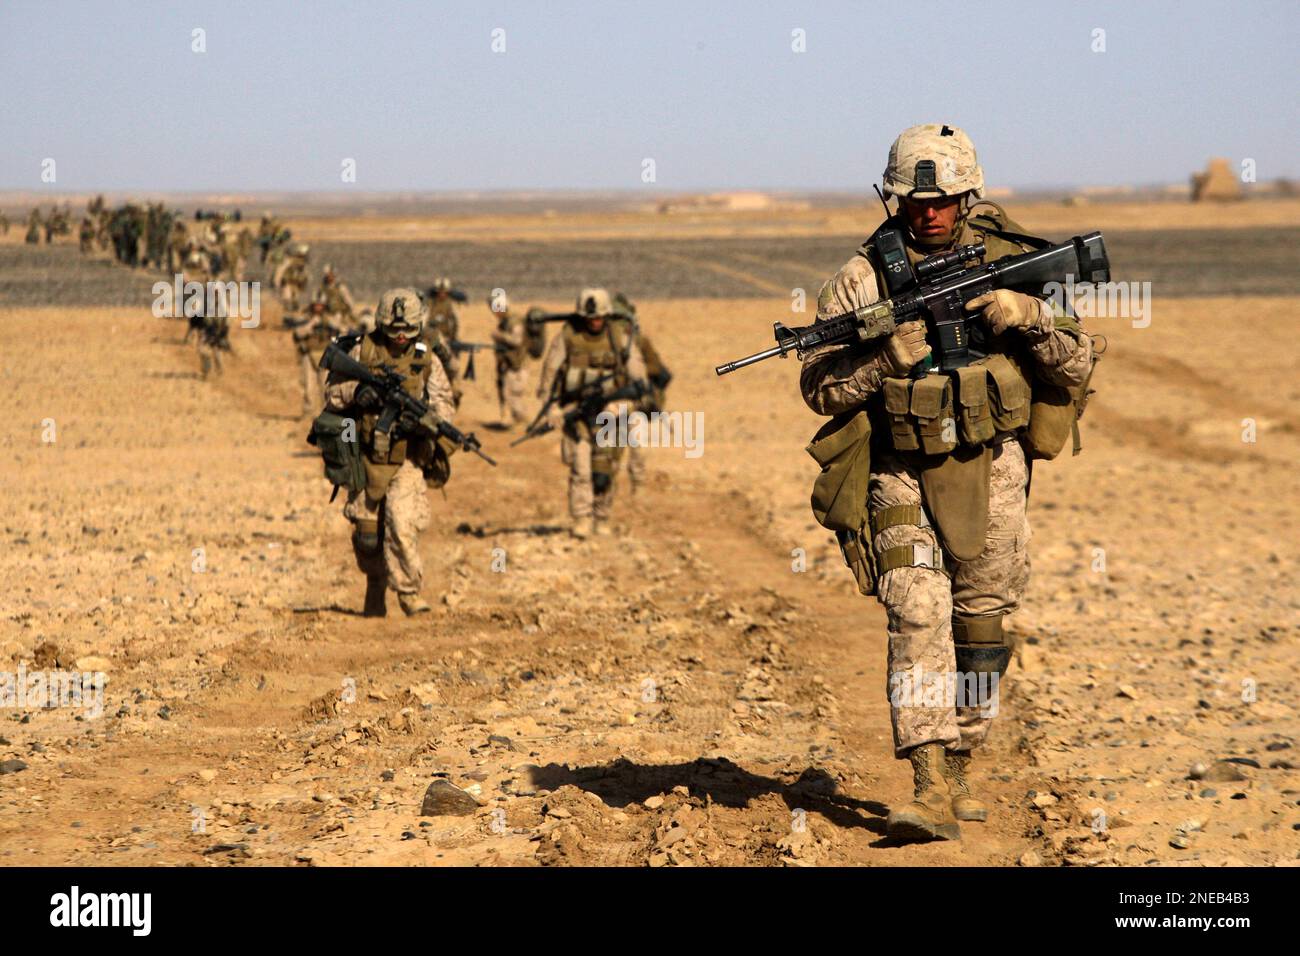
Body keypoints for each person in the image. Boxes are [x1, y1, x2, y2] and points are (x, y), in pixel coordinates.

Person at [798, 124, 1095, 842]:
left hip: (994, 462)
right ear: (892, 198)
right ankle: (928, 779)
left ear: (969, 194)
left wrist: (1030, 319)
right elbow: (818, 387)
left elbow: (1079, 368)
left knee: (984, 617)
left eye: (944, 200)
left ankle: (964, 757)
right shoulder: (862, 278)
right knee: (918, 605)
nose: (928, 213)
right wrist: (881, 364)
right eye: (914, 200)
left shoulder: (1013, 261)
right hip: (899, 467)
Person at [322, 288, 457, 617]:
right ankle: (375, 587)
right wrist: (358, 391)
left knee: (401, 521)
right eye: (394, 330)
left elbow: (445, 407)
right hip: (365, 455)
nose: (400, 336)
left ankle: (409, 594)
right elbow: (331, 393)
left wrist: (426, 422)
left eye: (407, 331)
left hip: (407, 457)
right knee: (368, 538)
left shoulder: (426, 359)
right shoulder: (360, 351)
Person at [535, 288, 649, 539]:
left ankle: (602, 517)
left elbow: (640, 382)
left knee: (605, 470)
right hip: (578, 414)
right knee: (581, 469)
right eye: (589, 318)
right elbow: (550, 372)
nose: (594, 322)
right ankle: (582, 518)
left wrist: (622, 405)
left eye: (599, 318)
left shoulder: (619, 337)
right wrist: (551, 407)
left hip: (612, 415)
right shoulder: (568, 336)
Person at [488, 290, 530, 425]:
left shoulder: (514, 322)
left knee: (513, 396)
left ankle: (523, 422)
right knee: (507, 394)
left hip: (518, 365)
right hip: (507, 364)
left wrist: (499, 336)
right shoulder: (504, 323)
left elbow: (517, 341)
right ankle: (515, 421)